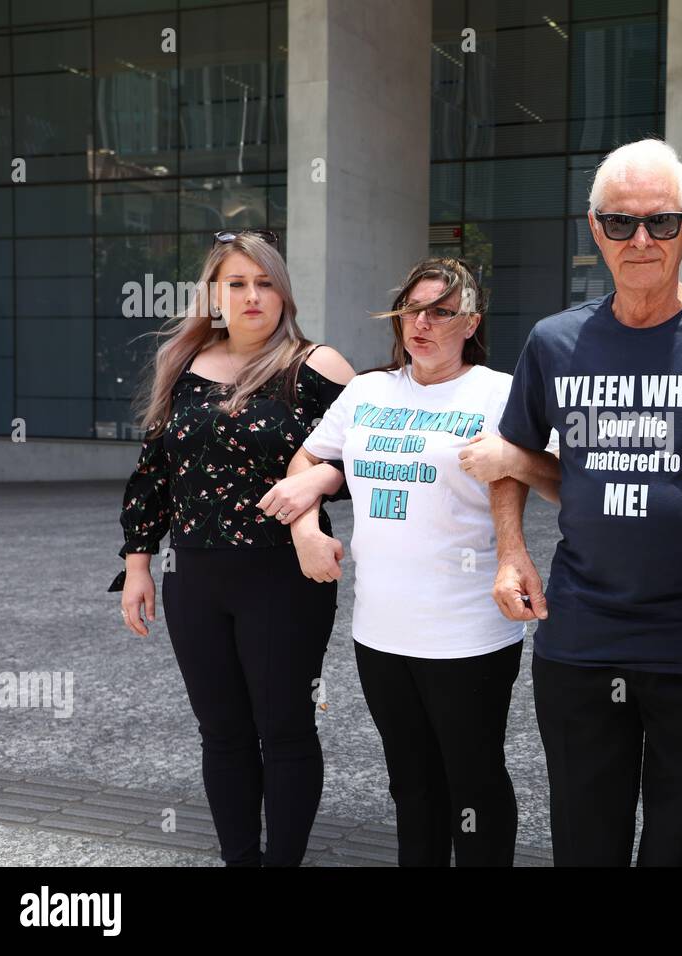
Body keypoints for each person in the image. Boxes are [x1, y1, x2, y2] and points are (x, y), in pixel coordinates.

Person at [491, 138, 682, 866]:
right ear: (593, 227)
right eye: (621, 222)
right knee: (583, 836)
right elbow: (509, 456)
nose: (641, 239)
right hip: (580, 636)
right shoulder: (553, 341)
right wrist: (511, 553)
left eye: (661, 222)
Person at [275, 258, 561, 867]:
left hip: (467, 629)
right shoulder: (368, 391)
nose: (422, 323)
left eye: (440, 312)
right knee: (410, 783)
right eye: (412, 309)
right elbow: (308, 461)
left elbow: (562, 479)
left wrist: (512, 455)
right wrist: (305, 528)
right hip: (380, 630)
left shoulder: (499, 392)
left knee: (474, 780)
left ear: (472, 322)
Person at [115, 230, 356, 866]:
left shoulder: (317, 366)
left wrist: (316, 487)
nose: (252, 296)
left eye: (265, 282)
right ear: (215, 296)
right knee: (221, 733)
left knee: (283, 729)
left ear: (284, 292)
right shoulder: (183, 364)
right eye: (237, 283)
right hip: (194, 578)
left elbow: (366, 462)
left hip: (283, 579)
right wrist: (138, 563)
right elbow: (153, 473)